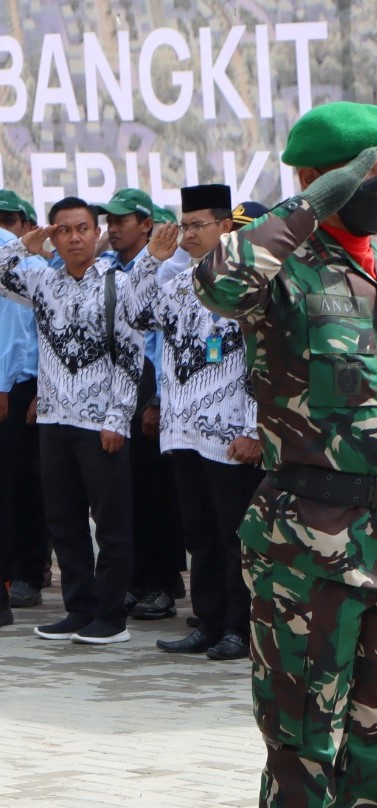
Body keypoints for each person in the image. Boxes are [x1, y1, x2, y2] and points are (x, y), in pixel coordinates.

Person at [194, 102, 377, 808]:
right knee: (304, 747)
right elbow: (218, 281)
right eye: (366, 171)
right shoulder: (283, 275)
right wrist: (311, 204)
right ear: (318, 178)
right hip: (308, 550)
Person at [0, 197, 158, 644]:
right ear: (53, 235)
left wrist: (117, 419)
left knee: (110, 525)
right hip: (53, 420)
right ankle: (79, 609)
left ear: (96, 233)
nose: (74, 238)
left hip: (100, 424)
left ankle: (111, 617)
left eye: (82, 228)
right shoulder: (42, 280)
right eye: (64, 230)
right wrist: (23, 245)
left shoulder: (117, 284)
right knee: (64, 521)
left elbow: (131, 356)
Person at [120, 184, 263, 662]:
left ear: (225, 227)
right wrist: (150, 261)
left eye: (198, 225)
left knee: (233, 536)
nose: (189, 234)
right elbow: (135, 314)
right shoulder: (182, 282)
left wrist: (254, 428)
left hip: (230, 434)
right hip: (183, 431)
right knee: (199, 535)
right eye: (185, 226)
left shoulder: (250, 285)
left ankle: (240, 628)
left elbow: (263, 362)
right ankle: (209, 621)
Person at [96, 188, 189, 621]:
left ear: (146, 224)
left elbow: (165, 337)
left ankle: (162, 583)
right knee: (126, 492)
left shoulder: (166, 270)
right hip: (116, 388)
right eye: (109, 221)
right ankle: (137, 580)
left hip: (151, 386)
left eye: (122, 220)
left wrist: (156, 400)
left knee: (157, 494)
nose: (112, 228)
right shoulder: (109, 270)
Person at [0, 189, 49, 614]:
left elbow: (15, 334)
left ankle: (26, 573)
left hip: (18, 386)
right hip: (11, 383)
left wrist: (8, 387)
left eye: (8, 220)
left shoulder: (27, 264)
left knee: (20, 484)